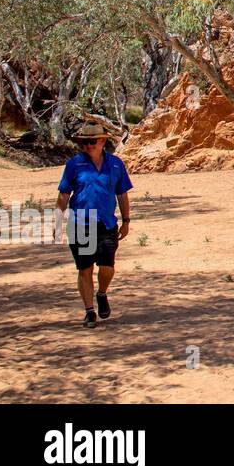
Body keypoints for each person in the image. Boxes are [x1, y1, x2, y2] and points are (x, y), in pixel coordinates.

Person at [55, 123, 133, 328]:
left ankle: (102, 293)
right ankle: (89, 311)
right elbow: (64, 194)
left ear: (102, 141)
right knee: (85, 269)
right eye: (83, 142)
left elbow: (122, 194)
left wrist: (126, 220)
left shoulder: (116, 164)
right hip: (80, 224)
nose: (87, 146)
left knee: (107, 267)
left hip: (107, 224)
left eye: (91, 141)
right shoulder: (74, 164)